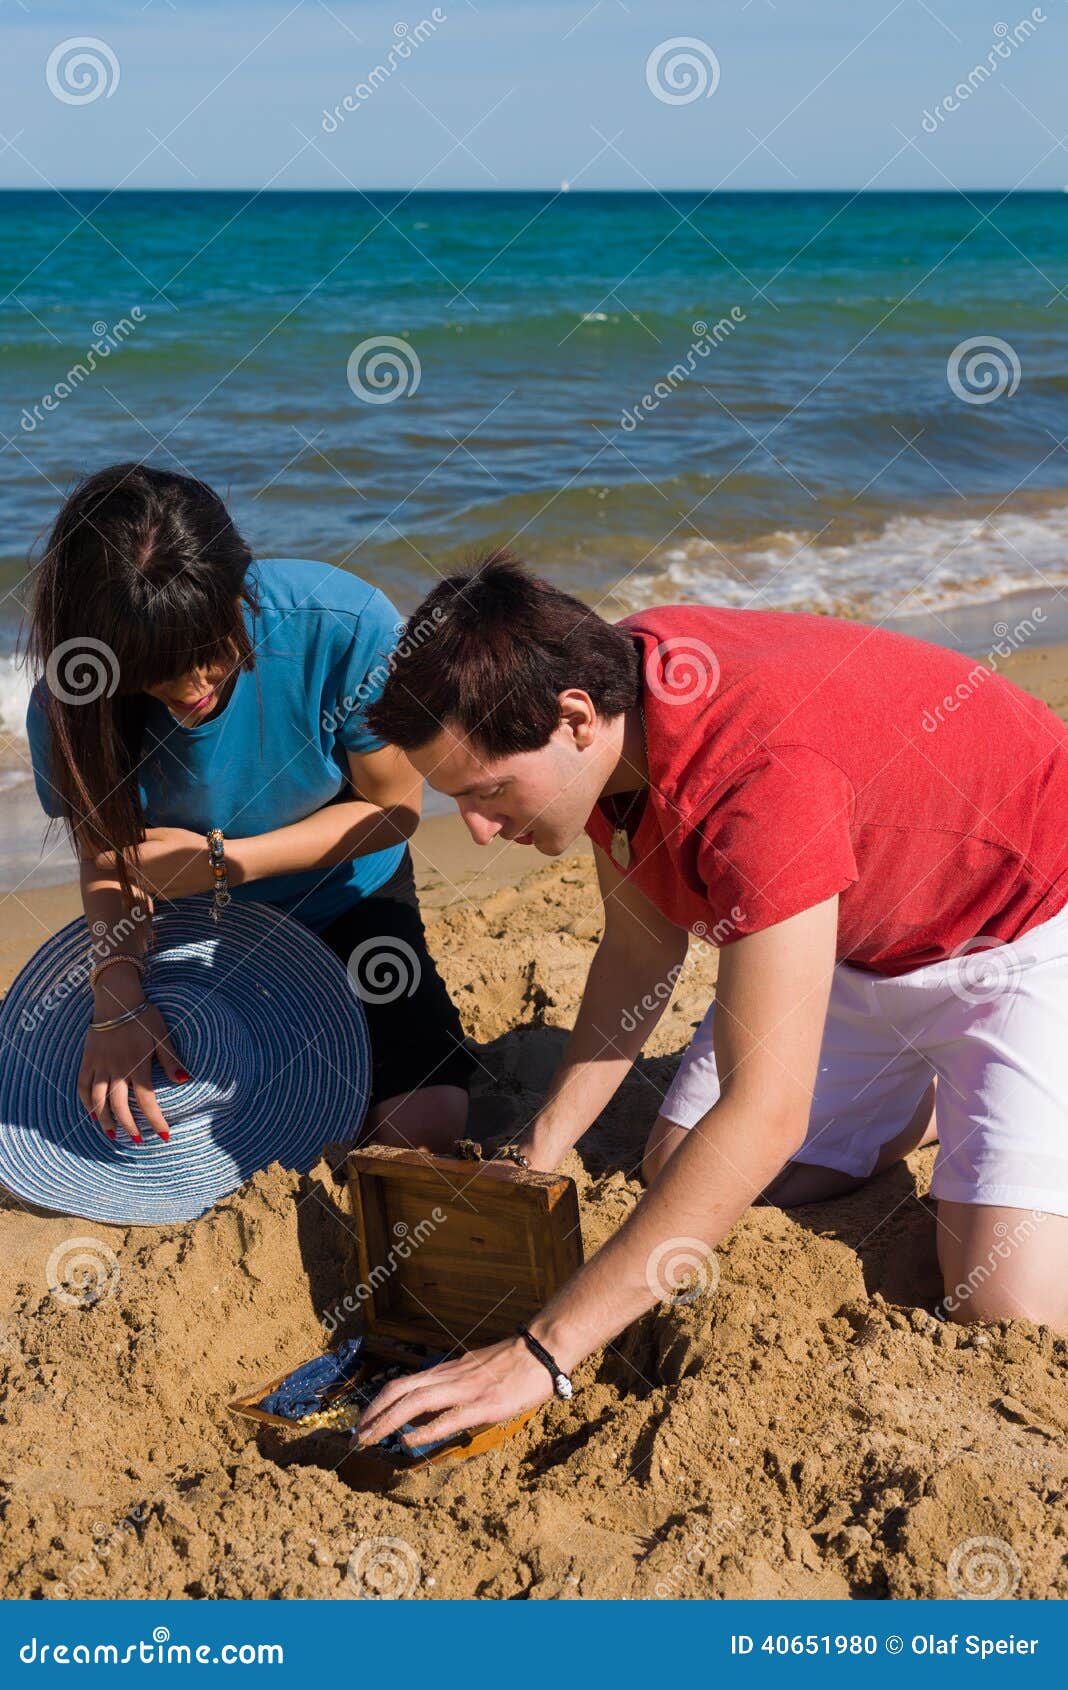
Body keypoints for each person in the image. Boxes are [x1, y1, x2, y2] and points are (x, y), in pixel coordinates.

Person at [353, 550, 1068, 1451]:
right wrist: (542, 1146)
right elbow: (641, 945)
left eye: (490, 792)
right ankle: (927, 1102)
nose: (483, 832)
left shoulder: (760, 790)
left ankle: (967, 1080)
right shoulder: (622, 695)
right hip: (850, 930)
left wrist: (543, 1352)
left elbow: (765, 1116)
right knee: (681, 1157)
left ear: (574, 719)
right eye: (461, 802)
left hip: (1022, 931)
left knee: (1006, 1305)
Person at [24, 464, 472, 1151]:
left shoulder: (342, 625)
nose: (191, 686)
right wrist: (117, 995)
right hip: (191, 927)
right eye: (155, 672)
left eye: (208, 653)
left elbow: (395, 809)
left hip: (347, 897)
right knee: (122, 1122)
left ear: (240, 587)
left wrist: (228, 864)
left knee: (426, 1122)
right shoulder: (74, 700)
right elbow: (109, 863)